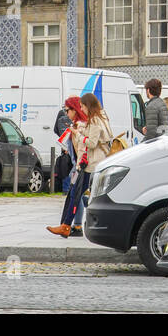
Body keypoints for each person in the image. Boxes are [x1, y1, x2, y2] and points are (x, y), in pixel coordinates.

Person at [47, 93, 112, 238]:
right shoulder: (96, 118)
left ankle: (70, 225)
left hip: (92, 164)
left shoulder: (95, 120)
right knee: (77, 193)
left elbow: (91, 143)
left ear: (88, 105)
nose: (81, 109)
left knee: (85, 194)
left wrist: (77, 133)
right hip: (88, 163)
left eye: (82, 106)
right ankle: (66, 225)